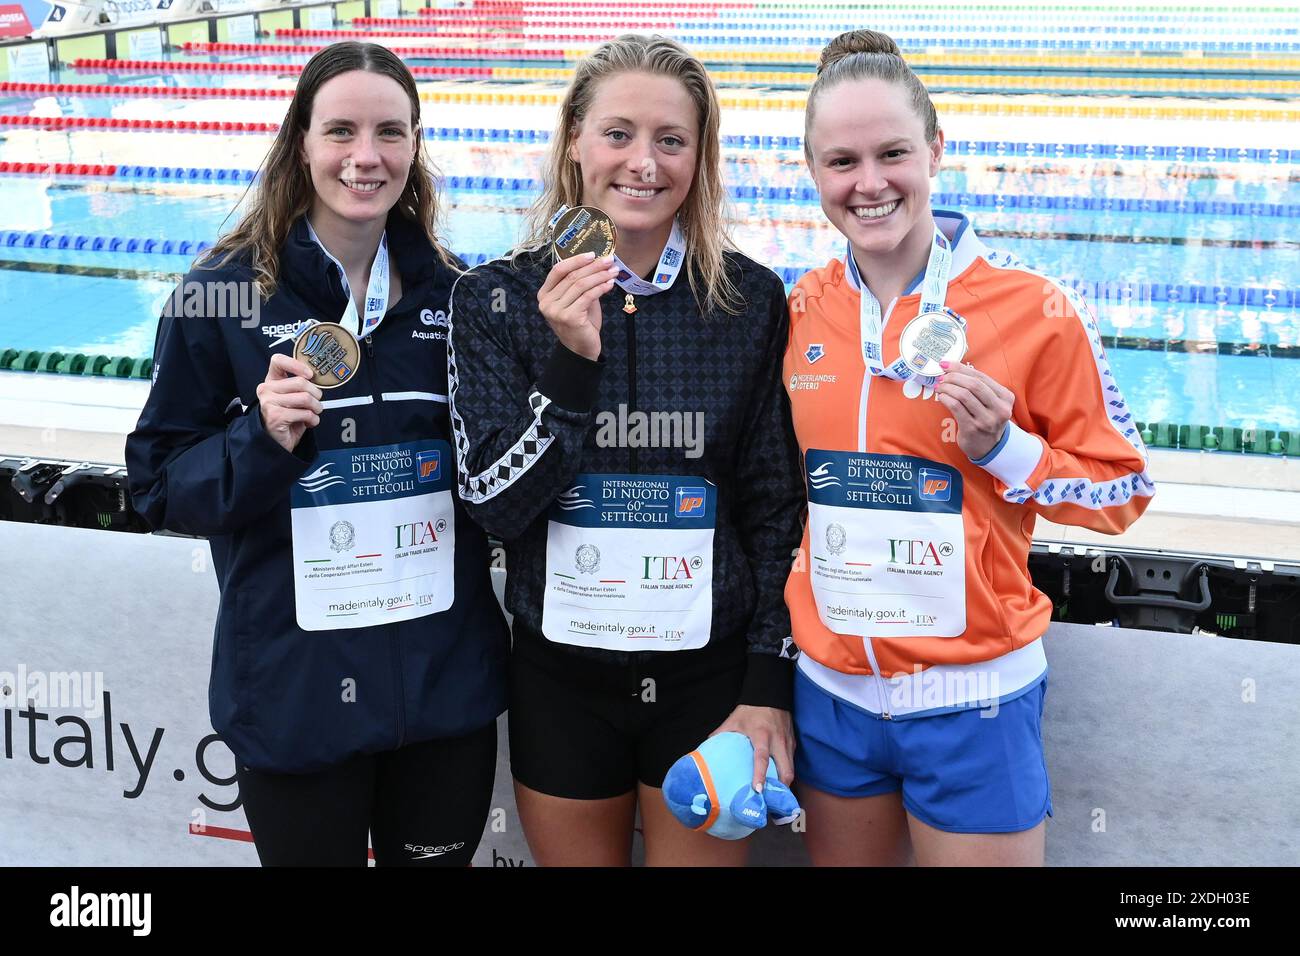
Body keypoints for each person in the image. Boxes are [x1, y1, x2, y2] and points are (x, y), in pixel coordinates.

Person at [125, 41, 509, 867]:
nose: (365, 157)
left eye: (389, 133)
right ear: (301, 141)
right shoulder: (222, 295)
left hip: (440, 702)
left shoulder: (460, 296)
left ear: (415, 145)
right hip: (299, 703)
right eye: (340, 131)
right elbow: (157, 485)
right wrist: (256, 439)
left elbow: (498, 476)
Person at [784, 30, 1156, 866]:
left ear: (936, 151)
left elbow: (1124, 490)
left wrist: (1008, 452)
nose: (869, 183)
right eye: (841, 161)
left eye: (893, 154)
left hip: (974, 700)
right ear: (812, 171)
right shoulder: (799, 308)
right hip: (830, 696)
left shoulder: (1033, 307)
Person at [445, 34, 804, 866]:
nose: (643, 162)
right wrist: (572, 361)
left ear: (698, 157)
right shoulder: (495, 299)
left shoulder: (748, 301)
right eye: (618, 133)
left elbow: (776, 505)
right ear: (575, 138)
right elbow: (494, 503)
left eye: (670, 140)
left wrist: (764, 683)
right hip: (561, 681)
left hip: (707, 680)